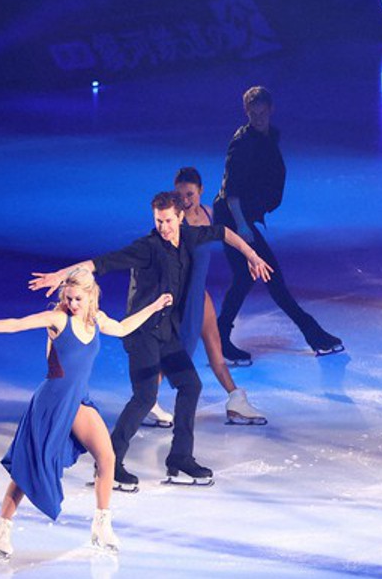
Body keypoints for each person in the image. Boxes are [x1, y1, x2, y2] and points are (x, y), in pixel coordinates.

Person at [29, 191, 272, 491]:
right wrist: (60, 276)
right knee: (144, 397)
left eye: (169, 221)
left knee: (190, 385)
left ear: (180, 218)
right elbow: (101, 263)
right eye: (159, 221)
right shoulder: (147, 248)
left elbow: (223, 232)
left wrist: (252, 255)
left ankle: (180, 458)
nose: (164, 227)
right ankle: (110, 461)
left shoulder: (190, 237)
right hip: (141, 333)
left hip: (167, 332)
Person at [0, 271, 172, 561]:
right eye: (68, 298)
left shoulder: (96, 319)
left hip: (78, 400)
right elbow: (17, 325)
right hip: (52, 402)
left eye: (78, 298)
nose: (72, 304)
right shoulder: (58, 319)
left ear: (91, 295)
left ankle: (101, 527)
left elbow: (121, 328)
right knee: (27, 468)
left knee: (107, 458)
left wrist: (153, 307)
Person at [214, 86, 343, 363]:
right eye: (253, 113)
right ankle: (313, 333)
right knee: (268, 276)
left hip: (244, 216)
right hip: (234, 218)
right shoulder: (243, 142)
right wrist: (243, 227)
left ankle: (220, 336)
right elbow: (231, 191)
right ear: (246, 113)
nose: (258, 118)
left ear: (270, 110)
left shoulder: (268, 136)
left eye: (263, 112)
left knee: (246, 277)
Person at [144, 167, 267, 427]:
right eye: (179, 195)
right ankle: (147, 402)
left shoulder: (208, 214)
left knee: (215, 349)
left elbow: (227, 235)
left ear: (200, 191)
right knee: (171, 353)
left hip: (201, 294)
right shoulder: (174, 224)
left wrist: (250, 256)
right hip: (181, 299)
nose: (185, 200)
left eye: (190, 194)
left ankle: (235, 400)